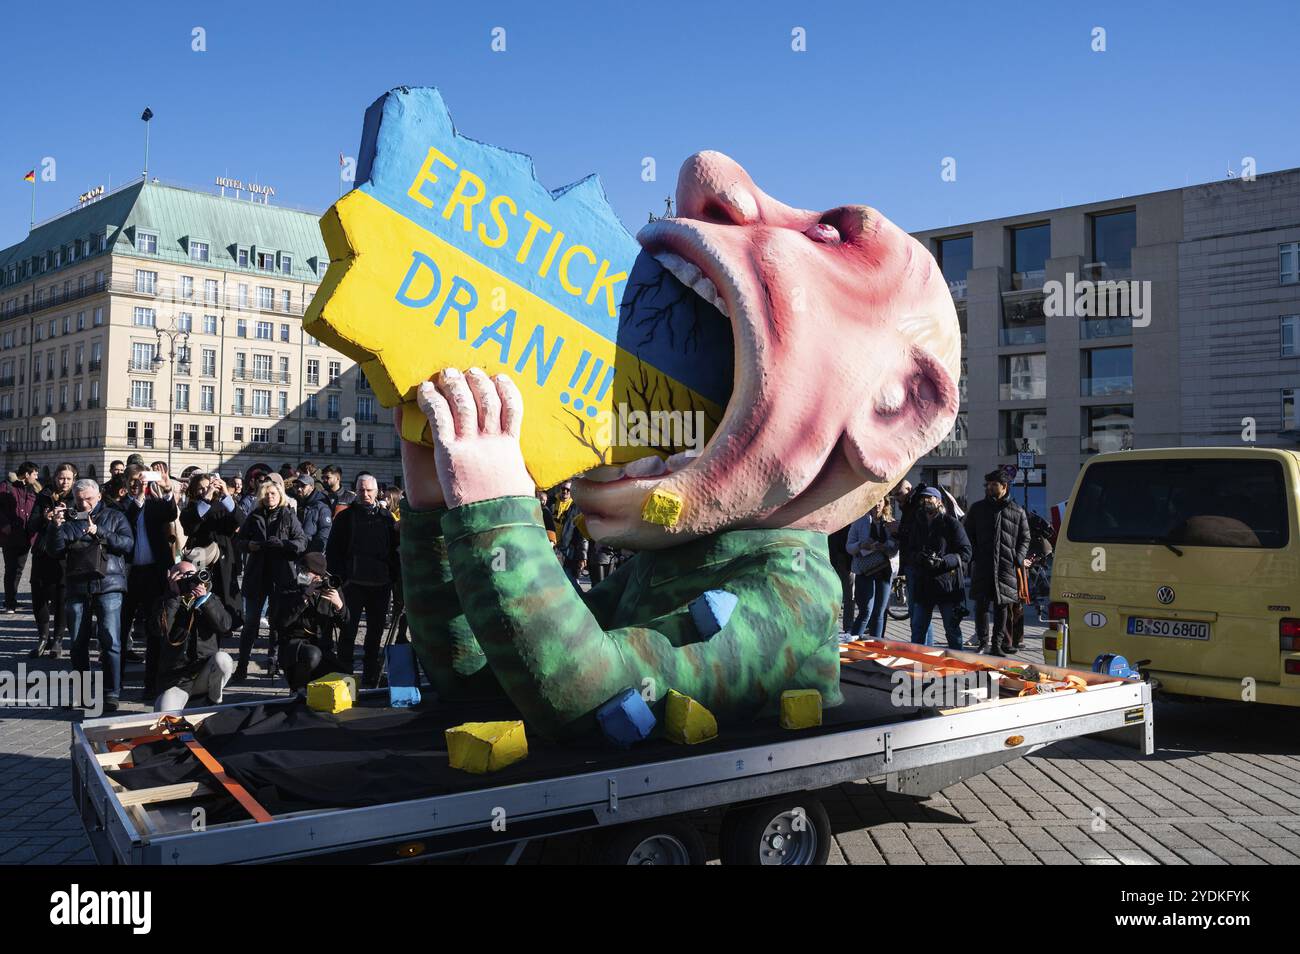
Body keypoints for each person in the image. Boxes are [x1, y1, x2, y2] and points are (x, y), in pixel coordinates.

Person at [47, 479, 134, 713]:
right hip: (77, 584)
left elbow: (127, 544)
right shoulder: (68, 518)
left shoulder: (114, 516)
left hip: (109, 584)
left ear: (98, 497)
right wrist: (55, 526)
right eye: (79, 499)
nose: (84, 504)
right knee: (77, 642)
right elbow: (54, 550)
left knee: (111, 640)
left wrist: (100, 531)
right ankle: (82, 694)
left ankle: (111, 693)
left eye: (88, 499)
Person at [326, 474, 398, 686]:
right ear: (355, 491)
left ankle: (370, 675)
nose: (365, 494)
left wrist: (393, 578)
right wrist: (341, 580)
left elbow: (394, 551)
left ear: (377, 492)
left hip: (380, 585)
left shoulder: (386, 517)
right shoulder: (345, 518)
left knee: (375, 634)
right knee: (348, 632)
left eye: (369, 490)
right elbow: (333, 552)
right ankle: (345, 675)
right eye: (361, 490)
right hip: (353, 585)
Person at [234, 476, 306, 680]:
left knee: (277, 624)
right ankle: (242, 664)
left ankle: (273, 663)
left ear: (280, 495)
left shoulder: (288, 515)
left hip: (281, 576)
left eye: (273, 493)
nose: (269, 497)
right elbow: (239, 541)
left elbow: (301, 541)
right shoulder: (254, 515)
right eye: (265, 494)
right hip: (256, 574)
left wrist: (283, 545)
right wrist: (250, 546)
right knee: (250, 623)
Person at [119, 463, 180, 698]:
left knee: (155, 629)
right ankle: (116, 681)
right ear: (126, 482)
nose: (138, 484)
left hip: (154, 574)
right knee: (122, 628)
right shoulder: (122, 504)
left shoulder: (156, 503)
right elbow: (126, 518)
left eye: (142, 480)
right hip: (128, 574)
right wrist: (137, 499)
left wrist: (166, 490)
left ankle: (151, 683)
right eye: (134, 481)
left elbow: (171, 513)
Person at [963, 470, 1031, 656]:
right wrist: (975, 554)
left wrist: (1017, 557)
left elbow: (1026, 537)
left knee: (1003, 607)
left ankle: (997, 644)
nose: (990, 488)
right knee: (981, 606)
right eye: (988, 485)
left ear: (1004, 486)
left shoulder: (1017, 511)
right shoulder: (977, 508)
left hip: (1006, 567)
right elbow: (967, 534)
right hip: (983, 565)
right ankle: (983, 642)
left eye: (994, 485)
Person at [154, 561, 234, 711]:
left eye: (191, 574)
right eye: (181, 575)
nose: (188, 579)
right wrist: (174, 596)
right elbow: (159, 630)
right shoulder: (165, 601)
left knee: (224, 660)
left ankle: (213, 700)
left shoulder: (210, 599)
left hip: (204, 670)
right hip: (177, 679)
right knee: (163, 716)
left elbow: (225, 626)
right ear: (171, 578)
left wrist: (206, 601)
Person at [903, 487, 972, 649]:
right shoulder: (917, 524)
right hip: (923, 585)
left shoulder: (951, 524)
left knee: (952, 630)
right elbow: (909, 550)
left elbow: (966, 552)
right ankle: (917, 665)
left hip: (946, 586)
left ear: (938, 501)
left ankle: (959, 665)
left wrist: (943, 561)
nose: (925, 501)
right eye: (922, 499)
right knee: (918, 630)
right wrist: (918, 557)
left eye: (929, 498)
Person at [275, 552, 349, 691]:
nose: (318, 580)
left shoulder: (331, 588)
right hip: (295, 648)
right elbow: (281, 622)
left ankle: (315, 689)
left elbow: (346, 625)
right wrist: (304, 596)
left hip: (322, 647)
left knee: (346, 677)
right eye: (306, 572)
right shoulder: (290, 587)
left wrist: (339, 606)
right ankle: (297, 688)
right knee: (312, 655)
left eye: (320, 576)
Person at [26, 463, 76, 658]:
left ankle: (57, 640)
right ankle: (42, 638)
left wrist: (66, 518)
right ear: (55, 478)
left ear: (74, 480)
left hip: (64, 555)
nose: (64, 482)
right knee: (38, 595)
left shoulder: (76, 498)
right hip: (43, 552)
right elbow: (31, 525)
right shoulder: (44, 496)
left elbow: (82, 523)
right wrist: (45, 518)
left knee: (62, 597)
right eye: (61, 478)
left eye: (68, 479)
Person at [179, 472, 243, 625]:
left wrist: (227, 495)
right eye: (200, 489)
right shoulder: (191, 508)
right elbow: (190, 526)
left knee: (223, 600)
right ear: (194, 491)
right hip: (200, 559)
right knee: (198, 599)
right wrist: (206, 498)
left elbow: (241, 521)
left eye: (208, 487)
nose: (205, 491)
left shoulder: (222, 506)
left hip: (222, 560)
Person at [845, 498, 898, 640]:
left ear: (885, 503)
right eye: (874, 500)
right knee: (866, 611)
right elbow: (849, 546)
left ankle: (876, 647)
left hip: (884, 571)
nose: (877, 504)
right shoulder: (859, 521)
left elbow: (895, 549)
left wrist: (885, 547)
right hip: (865, 571)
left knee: (879, 612)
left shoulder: (890, 522)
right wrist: (861, 545)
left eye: (880, 500)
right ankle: (853, 644)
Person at [892, 480, 934, 644]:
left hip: (918, 564)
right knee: (918, 610)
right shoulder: (911, 505)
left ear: (909, 489)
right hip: (913, 563)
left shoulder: (917, 505)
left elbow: (917, 535)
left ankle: (923, 649)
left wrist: (899, 530)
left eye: (898, 494)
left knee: (919, 611)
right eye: (894, 495)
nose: (896, 498)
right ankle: (923, 647)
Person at [0, 462, 40, 614]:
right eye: (35, 474)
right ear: (27, 474)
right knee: (11, 569)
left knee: (19, 569)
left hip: (26, 535)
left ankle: (12, 600)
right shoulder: (6, 486)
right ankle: (10, 603)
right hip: (10, 536)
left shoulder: (34, 488)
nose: (36, 477)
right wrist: (5, 526)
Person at [290, 475, 333, 552]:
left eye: (303, 486)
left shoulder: (321, 506)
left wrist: (315, 550)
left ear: (312, 487)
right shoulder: (295, 502)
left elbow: (325, 530)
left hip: (311, 552)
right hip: (296, 549)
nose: (299, 489)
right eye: (297, 486)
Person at [827, 523, 854, 632]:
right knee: (843, 596)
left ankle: (847, 627)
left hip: (844, 559)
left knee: (848, 596)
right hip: (836, 558)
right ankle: (844, 627)